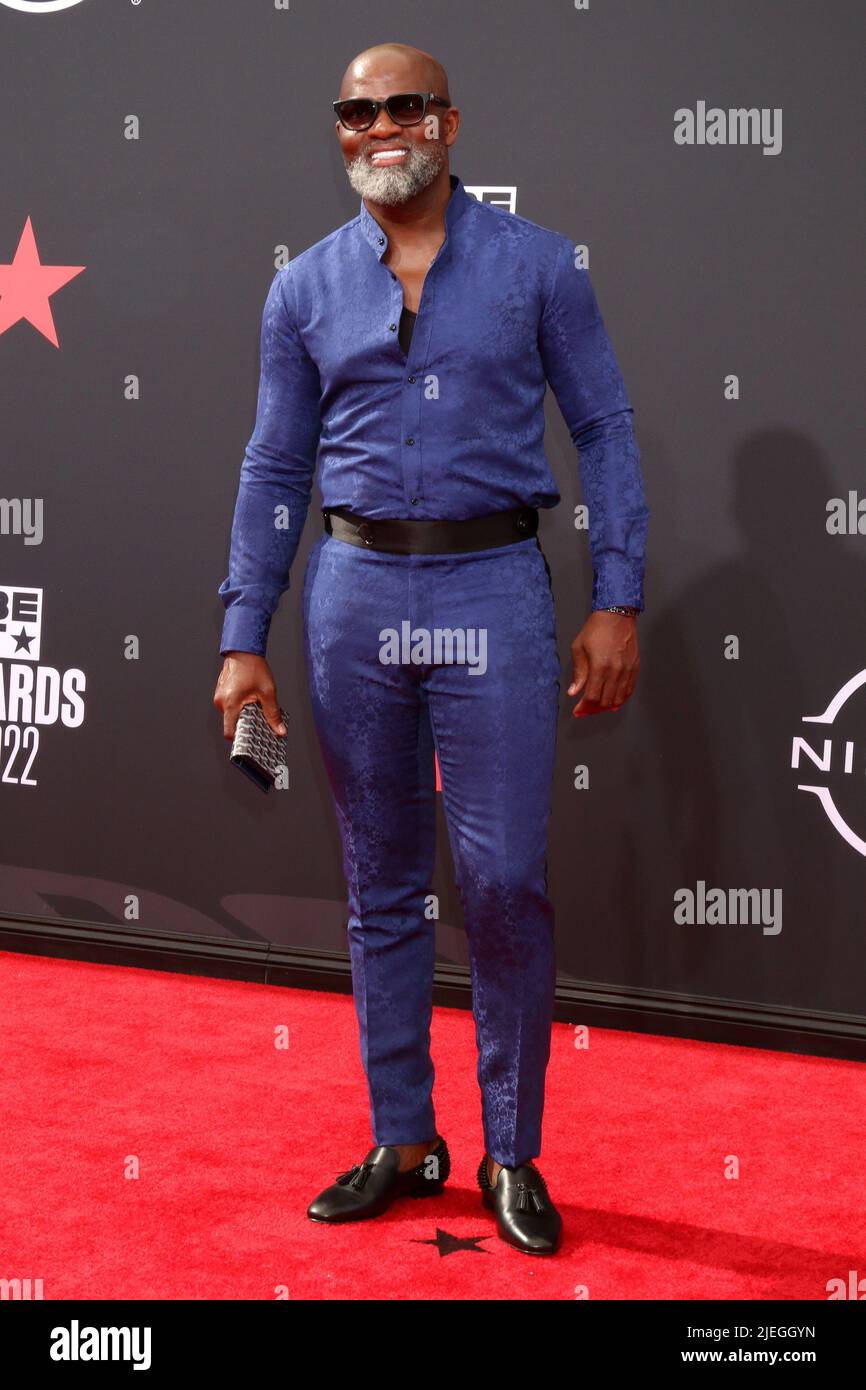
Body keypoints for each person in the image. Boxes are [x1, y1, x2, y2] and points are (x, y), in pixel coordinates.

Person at [214, 42, 649, 1256]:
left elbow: (605, 429)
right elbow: (272, 466)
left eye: (402, 105)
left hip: (491, 586)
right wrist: (242, 632)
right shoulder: (302, 288)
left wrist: (616, 596)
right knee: (378, 883)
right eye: (355, 111)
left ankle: (511, 1149)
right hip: (352, 593)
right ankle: (403, 1139)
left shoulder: (538, 266)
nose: (378, 127)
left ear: (448, 123)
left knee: (503, 881)